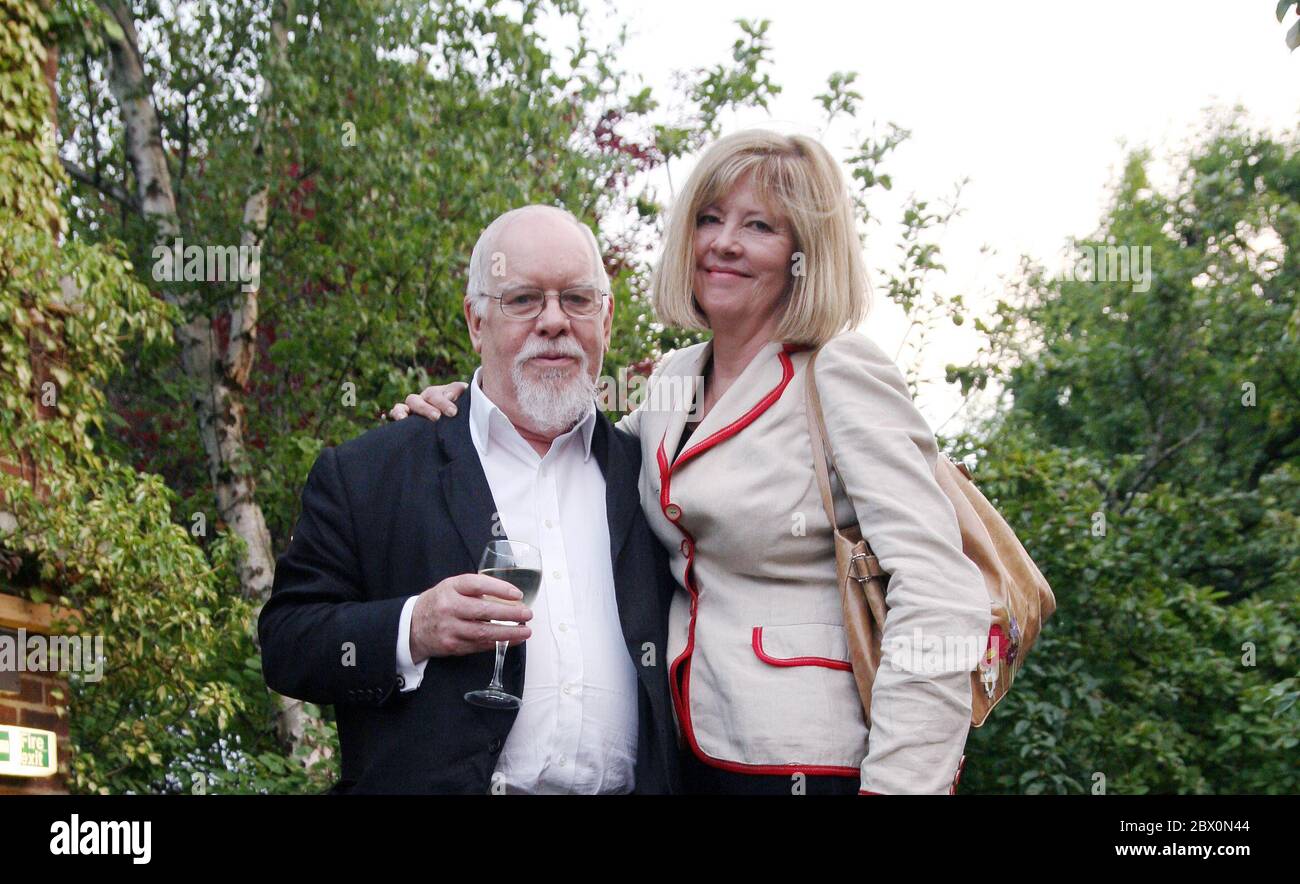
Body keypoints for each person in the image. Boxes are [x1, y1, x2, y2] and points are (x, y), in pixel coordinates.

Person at [389, 130, 993, 795]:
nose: (723, 242)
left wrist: (902, 786)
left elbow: (941, 595)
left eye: (758, 225)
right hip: (688, 758)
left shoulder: (839, 373)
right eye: (709, 218)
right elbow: (573, 446)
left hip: (812, 766)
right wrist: (469, 404)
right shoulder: (676, 379)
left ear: (804, 252)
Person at [260, 205, 682, 794]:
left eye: (578, 299)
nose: (554, 321)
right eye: (524, 299)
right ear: (476, 321)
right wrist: (412, 627)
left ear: (606, 320)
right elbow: (287, 643)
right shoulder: (371, 473)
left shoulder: (653, 476)